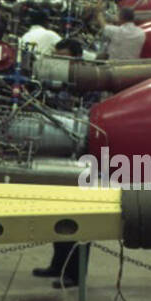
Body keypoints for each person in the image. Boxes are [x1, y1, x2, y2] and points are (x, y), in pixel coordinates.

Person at [34, 37, 88, 288]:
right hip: (59, 151)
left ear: (76, 57)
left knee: (79, 219)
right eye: (56, 56)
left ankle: (74, 275)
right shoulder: (55, 81)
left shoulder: (89, 81)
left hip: (82, 158)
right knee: (57, 214)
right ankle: (57, 265)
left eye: (63, 57)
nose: (58, 62)